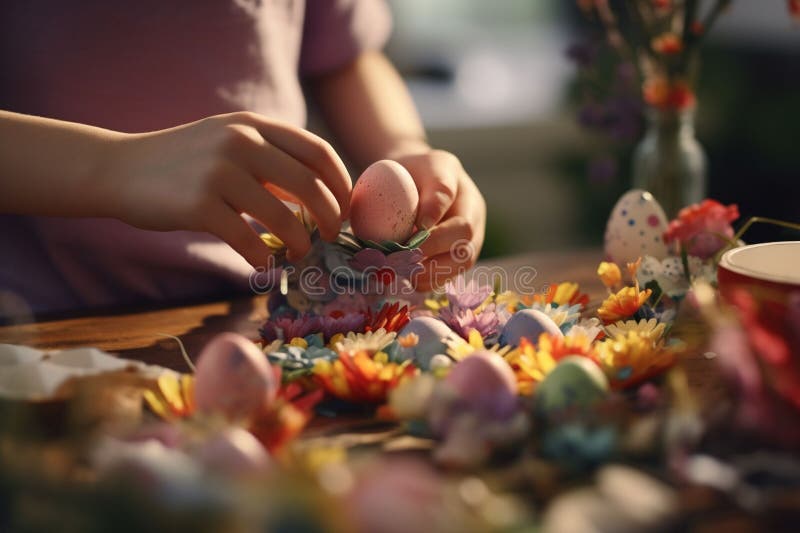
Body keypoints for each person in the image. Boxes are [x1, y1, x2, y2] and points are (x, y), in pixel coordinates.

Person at [0, 0, 486, 319]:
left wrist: (402, 150)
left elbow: (343, 54)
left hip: (268, 309)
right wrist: (113, 167)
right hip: (37, 325)